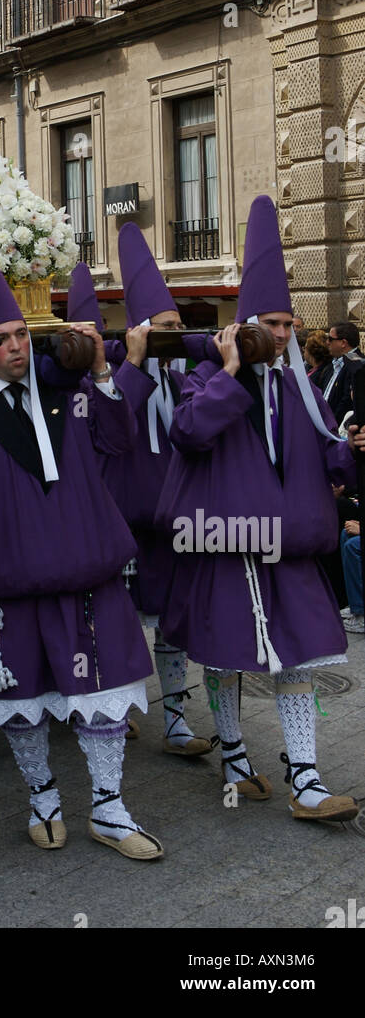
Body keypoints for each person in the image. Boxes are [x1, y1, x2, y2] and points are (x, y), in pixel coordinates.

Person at [0, 200, 162, 860]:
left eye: (21, 334)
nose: (16, 347)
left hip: (86, 574)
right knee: (21, 696)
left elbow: (117, 437)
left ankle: (108, 808)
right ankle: (42, 797)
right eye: (0, 339)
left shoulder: (70, 391)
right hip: (7, 584)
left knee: (100, 694)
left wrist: (104, 369)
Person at [156, 196, 363, 822]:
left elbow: (333, 459)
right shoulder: (206, 378)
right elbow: (188, 434)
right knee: (225, 654)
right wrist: (229, 374)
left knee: (299, 656)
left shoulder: (304, 387)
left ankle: (305, 779)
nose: (282, 334)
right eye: (270, 324)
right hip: (227, 543)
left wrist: (349, 454)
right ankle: (238, 756)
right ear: (245, 329)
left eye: (289, 324)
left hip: (292, 549)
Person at [85, 237, 216, 759]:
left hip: (172, 523)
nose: (176, 337)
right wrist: (133, 364)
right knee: (115, 623)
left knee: (172, 622)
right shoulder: (114, 371)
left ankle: (178, 720)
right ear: (139, 331)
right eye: (166, 329)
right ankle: (110, 703)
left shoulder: (186, 378)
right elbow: (110, 422)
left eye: (177, 327)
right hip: (121, 522)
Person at [312, 322, 364, 425]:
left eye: (330, 339)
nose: (327, 342)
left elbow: (346, 402)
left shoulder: (358, 366)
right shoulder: (330, 366)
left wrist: (330, 425)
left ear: (343, 343)